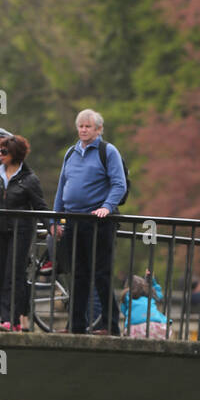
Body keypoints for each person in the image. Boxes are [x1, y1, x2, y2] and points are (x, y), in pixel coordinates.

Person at [53, 109, 126, 335]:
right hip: (74, 221)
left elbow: (119, 184)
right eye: (81, 126)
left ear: (99, 129)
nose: (83, 130)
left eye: (88, 126)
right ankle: (76, 326)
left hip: (98, 222)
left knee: (101, 275)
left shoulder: (108, 151)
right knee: (77, 276)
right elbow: (62, 188)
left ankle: (110, 325)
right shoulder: (71, 153)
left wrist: (106, 206)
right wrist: (55, 218)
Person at [0, 134, 48, 331]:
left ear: (16, 155)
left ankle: (9, 319)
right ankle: (11, 320)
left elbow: (40, 206)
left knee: (14, 274)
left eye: (4, 152)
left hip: (21, 231)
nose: (0, 155)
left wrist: (51, 226)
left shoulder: (29, 179)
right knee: (0, 274)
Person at [120, 272, 169, 339]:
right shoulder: (149, 294)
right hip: (155, 326)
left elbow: (123, 310)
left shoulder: (127, 295)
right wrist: (153, 281)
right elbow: (159, 295)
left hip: (135, 329)